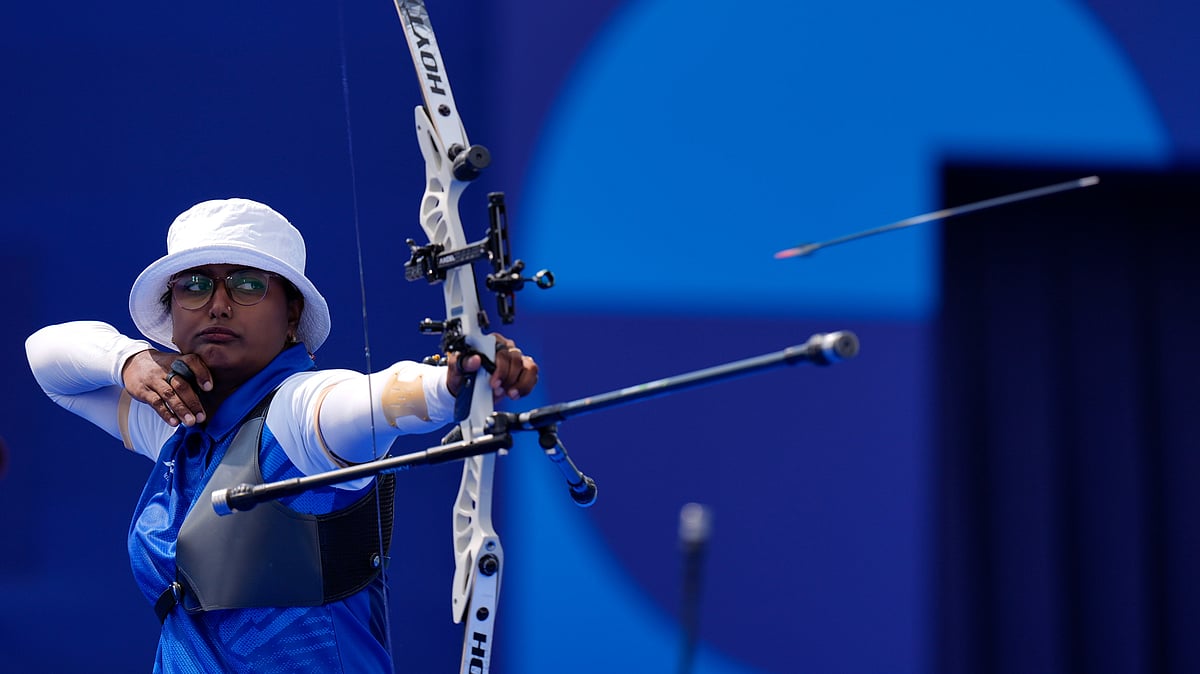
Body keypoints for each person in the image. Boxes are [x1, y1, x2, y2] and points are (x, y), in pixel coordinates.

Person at [25, 198, 538, 672]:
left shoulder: (300, 413)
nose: (218, 305)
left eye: (247, 285)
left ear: (291, 313)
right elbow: (46, 360)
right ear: (172, 312)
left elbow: (374, 399)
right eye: (195, 285)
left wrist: (453, 382)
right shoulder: (175, 422)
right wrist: (128, 360)